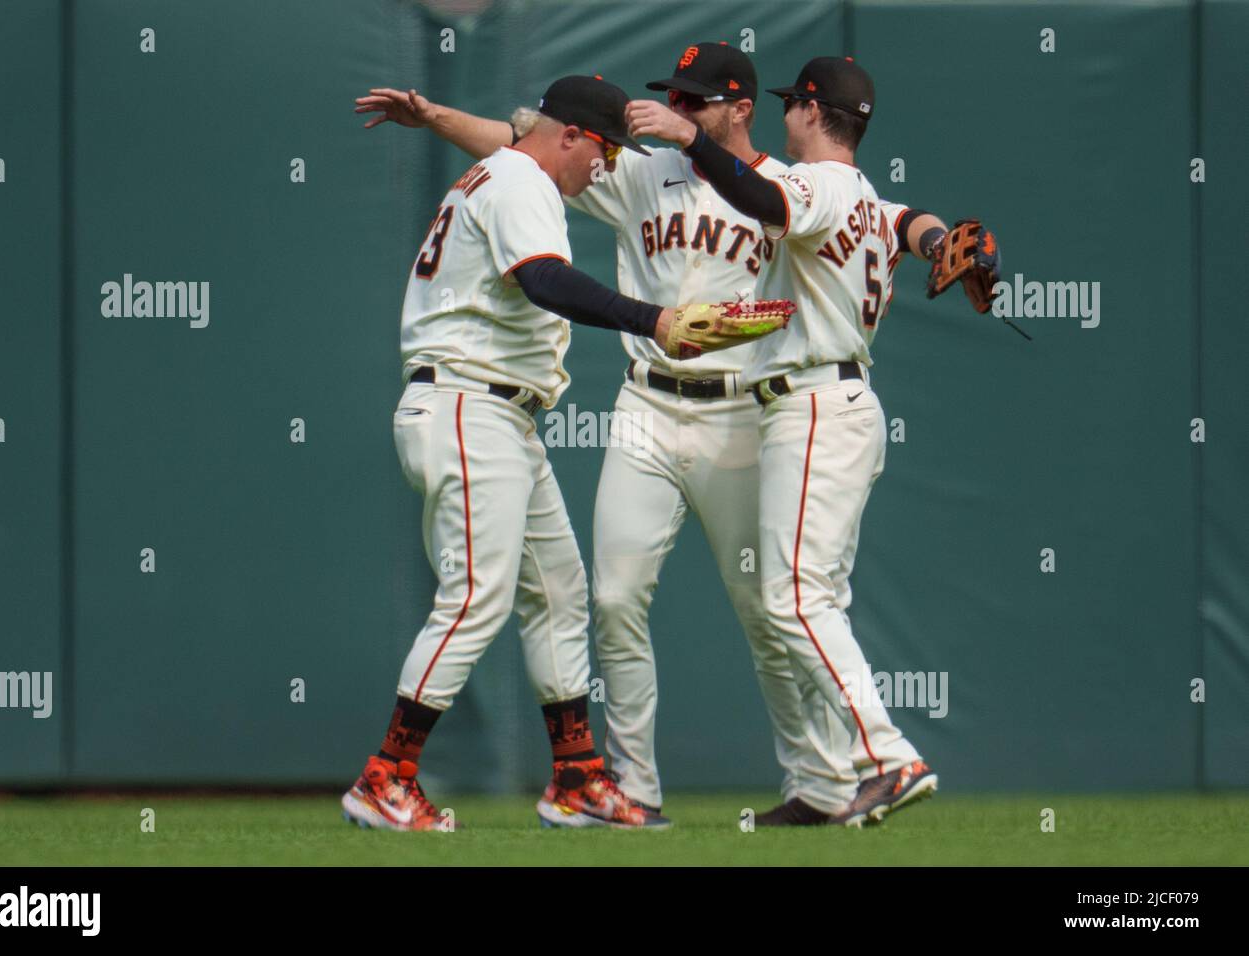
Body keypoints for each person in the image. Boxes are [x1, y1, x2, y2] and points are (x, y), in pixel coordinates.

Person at [355, 44, 954, 825]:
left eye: (697, 100)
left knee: (769, 607)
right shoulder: (643, 171)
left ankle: (817, 780)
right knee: (612, 598)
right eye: (675, 94)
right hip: (647, 405)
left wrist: (936, 235)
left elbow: (886, 213)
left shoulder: (785, 185)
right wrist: (436, 117)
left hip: (744, 410)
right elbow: (532, 149)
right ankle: (625, 784)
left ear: (741, 110)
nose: (679, 107)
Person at [626, 56, 990, 824]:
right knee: (817, 597)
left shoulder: (820, 185)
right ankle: (827, 790)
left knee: (792, 598)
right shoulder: (859, 196)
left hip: (815, 405)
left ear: (812, 112)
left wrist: (692, 139)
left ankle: (890, 759)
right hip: (840, 402)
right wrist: (950, 242)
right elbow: (909, 220)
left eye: (794, 105)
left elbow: (758, 194)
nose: (784, 115)